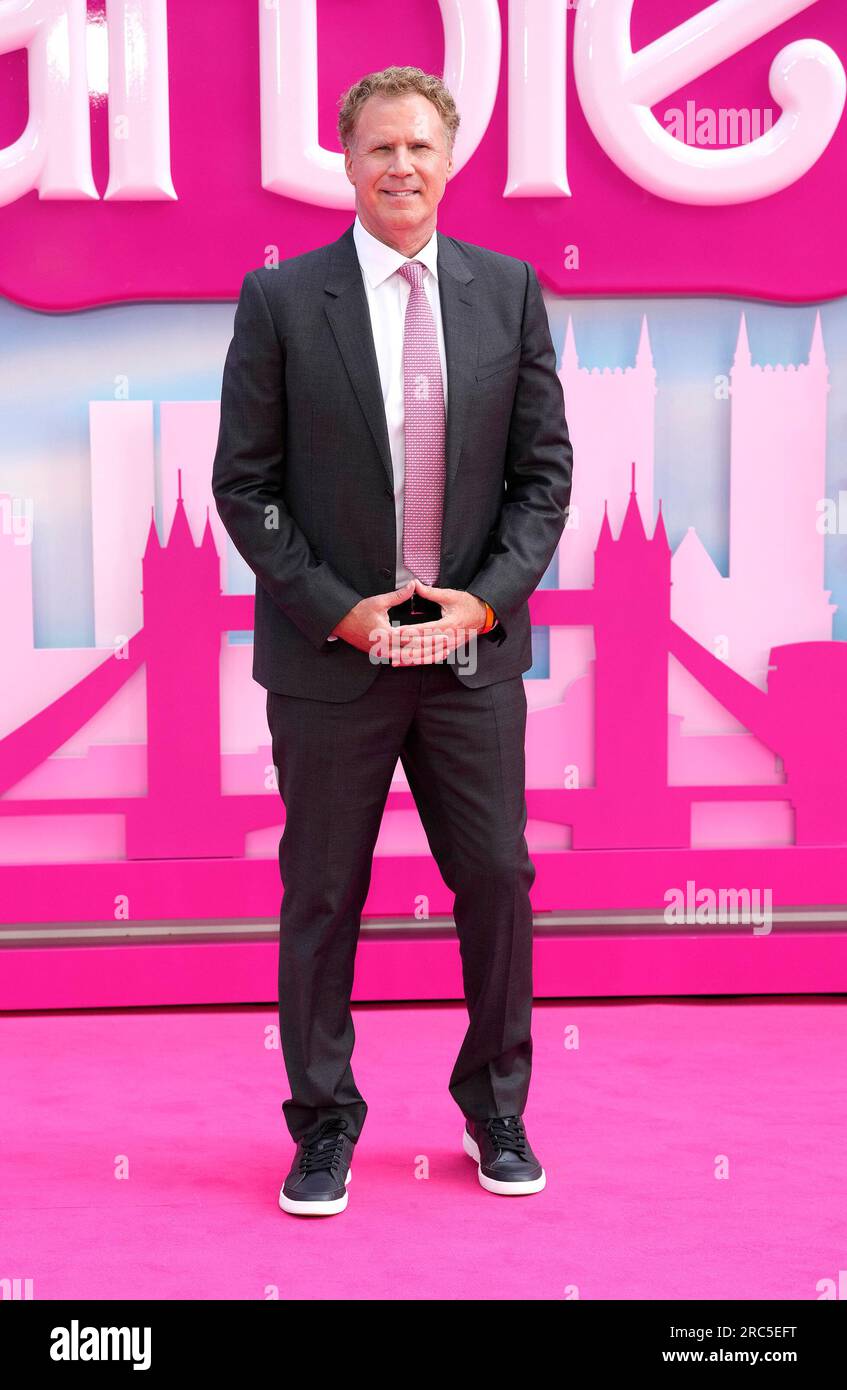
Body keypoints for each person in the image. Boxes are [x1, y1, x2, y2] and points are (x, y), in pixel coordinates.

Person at [212, 65, 573, 1216]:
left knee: (499, 880)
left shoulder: (508, 292)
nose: (401, 166)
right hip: (332, 659)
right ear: (348, 161)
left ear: (449, 158)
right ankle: (322, 1125)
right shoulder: (281, 302)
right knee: (320, 892)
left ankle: (495, 1106)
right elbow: (246, 486)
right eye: (379, 149)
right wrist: (337, 605)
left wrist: (485, 599)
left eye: (419, 146)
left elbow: (544, 478)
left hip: (470, 654)